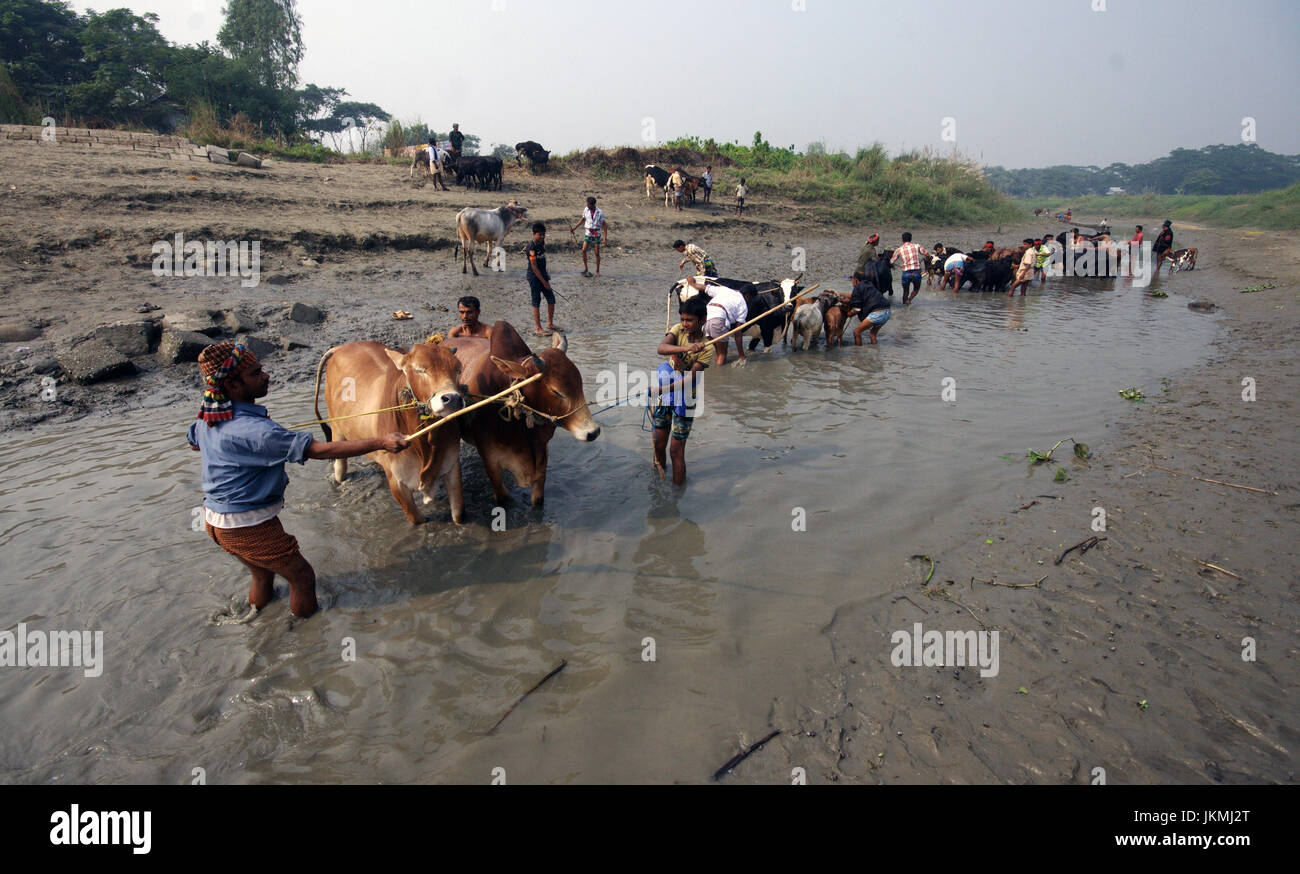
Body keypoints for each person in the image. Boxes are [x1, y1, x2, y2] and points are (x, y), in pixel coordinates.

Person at [187, 341, 409, 619]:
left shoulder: (208, 419)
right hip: (247, 525)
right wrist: (381, 442)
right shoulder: (258, 432)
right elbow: (318, 450)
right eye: (256, 373)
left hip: (216, 520)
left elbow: (195, 442)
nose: (266, 376)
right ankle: (305, 631)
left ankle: (258, 615)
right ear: (232, 385)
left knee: (262, 573)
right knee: (302, 576)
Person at [652, 295, 713, 485]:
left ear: (702, 320)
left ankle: (677, 496)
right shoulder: (678, 330)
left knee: (676, 451)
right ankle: (658, 482)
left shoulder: (708, 347)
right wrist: (686, 348)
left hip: (685, 396)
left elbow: (690, 380)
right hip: (665, 390)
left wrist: (659, 390)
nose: (685, 324)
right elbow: (661, 348)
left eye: (690, 320)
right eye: (683, 319)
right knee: (658, 444)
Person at [699, 281, 748, 366]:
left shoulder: (725, 290)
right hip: (718, 320)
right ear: (748, 296)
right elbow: (738, 333)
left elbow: (705, 288)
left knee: (717, 351)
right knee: (722, 354)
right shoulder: (743, 304)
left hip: (705, 318)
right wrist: (741, 354)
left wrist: (692, 283)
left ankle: (713, 372)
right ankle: (719, 375)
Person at [526, 222, 560, 335]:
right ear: (534, 234)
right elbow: (534, 267)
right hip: (534, 277)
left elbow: (542, 261)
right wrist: (544, 282)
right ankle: (538, 328)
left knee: (551, 298)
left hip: (543, 275)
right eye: (539, 235)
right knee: (536, 301)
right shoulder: (531, 247)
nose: (542, 237)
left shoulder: (542, 243)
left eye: (543, 234)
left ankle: (550, 323)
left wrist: (546, 275)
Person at [570, 196, 608, 277]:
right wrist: (574, 228)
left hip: (596, 234)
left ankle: (597, 271)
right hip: (588, 233)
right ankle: (586, 268)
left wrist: (605, 238)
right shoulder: (586, 210)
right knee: (583, 250)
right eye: (586, 203)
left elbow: (604, 225)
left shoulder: (600, 212)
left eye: (588, 204)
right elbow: (583, 220)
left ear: (592, 204)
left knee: (597, 253)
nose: (587, 205)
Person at [850, 271, 892, 345]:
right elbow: (853, 296)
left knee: (856, 332)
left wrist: (849, 314)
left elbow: (857, 309)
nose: (852, 282)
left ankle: (857, 354)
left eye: (852, 280)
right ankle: (875, 352)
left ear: (855, 280)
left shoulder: (857, 287)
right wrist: (839, 294)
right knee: (872, 334)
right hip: (887, 311)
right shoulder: (869, 285)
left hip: (877, 313)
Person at [890, 232, 930, 304]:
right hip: (916, 272)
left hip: (906, 273)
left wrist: (893, 266)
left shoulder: (899, 250)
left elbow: (891, 261)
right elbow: (927, 254)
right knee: (916, 289)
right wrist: (928, 261)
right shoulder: (917, 246)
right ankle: (909, 300)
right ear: (911, 239)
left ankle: (904, 306)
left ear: (902, 240)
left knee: (905, 292)